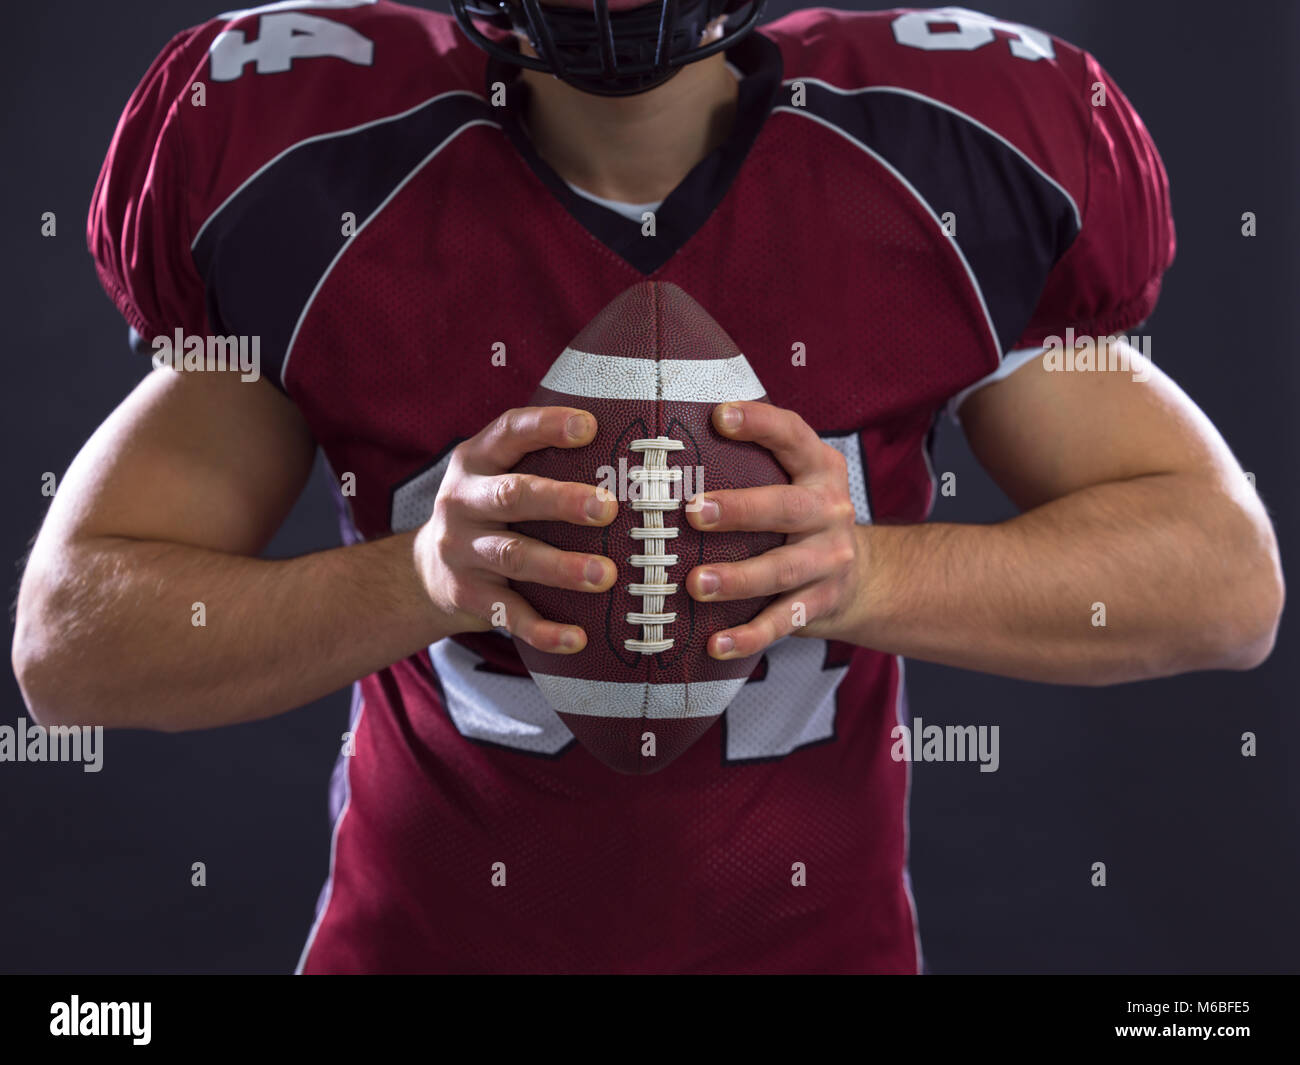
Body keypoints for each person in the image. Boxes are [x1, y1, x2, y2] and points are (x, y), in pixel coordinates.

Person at [12, 0, 1283, 973]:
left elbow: (1226, 587)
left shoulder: (933, 163)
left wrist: (866, 568)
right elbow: (69, 643)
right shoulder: (325, 176)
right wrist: (414, 579)